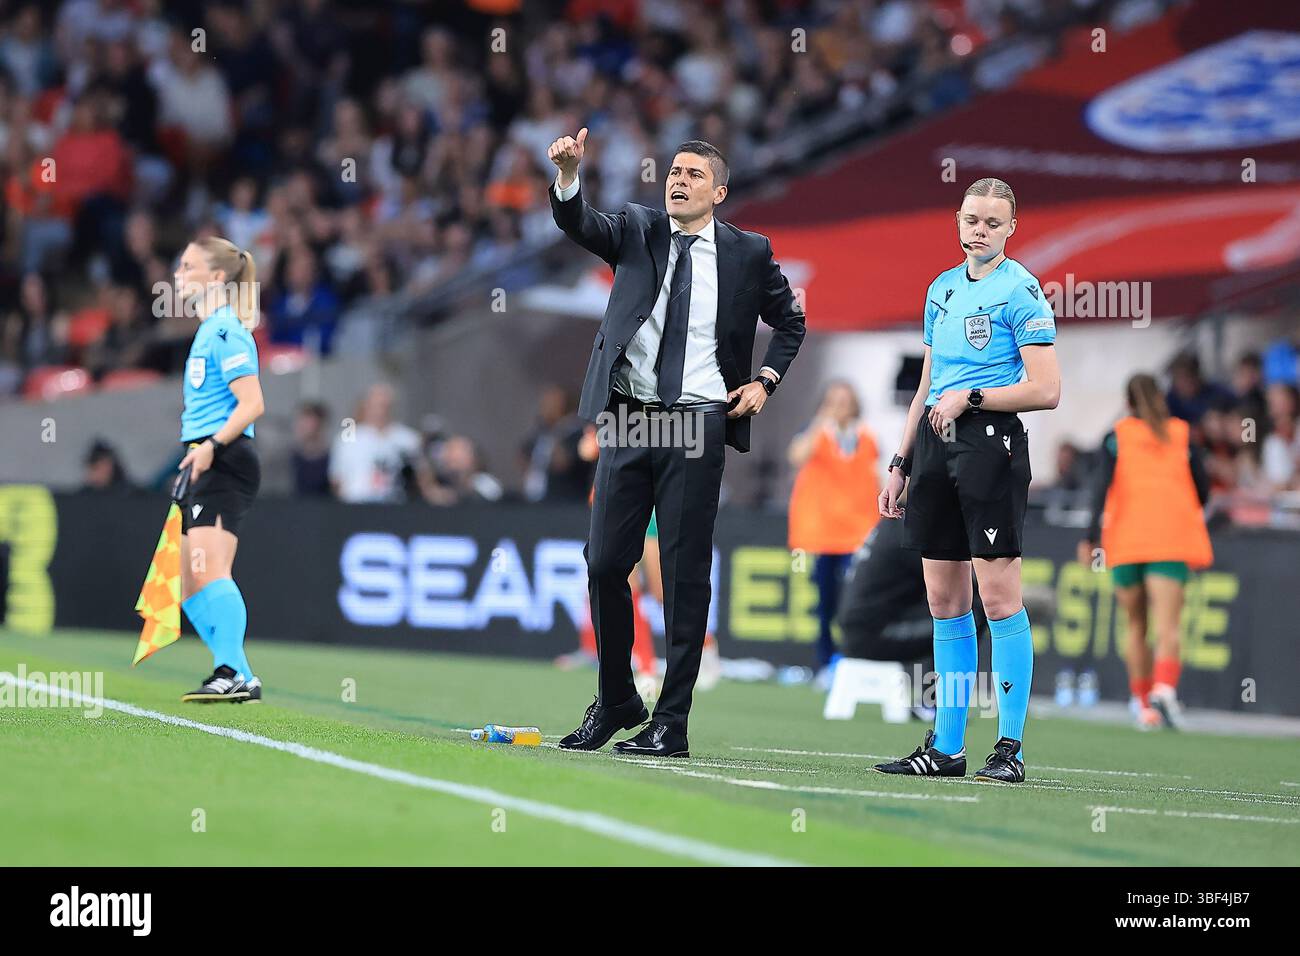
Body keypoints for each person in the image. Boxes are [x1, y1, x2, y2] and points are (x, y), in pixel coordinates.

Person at [547, 128, 805, 757]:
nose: (678, 180)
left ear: (719, 191)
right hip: (631, 417)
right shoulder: (636, 228)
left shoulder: (749, 253)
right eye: (674, 171)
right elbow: (579, 223)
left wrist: (765, 381)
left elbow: (790, 321)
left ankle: (673, 721)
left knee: (685, 573)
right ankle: (615, 701)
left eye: (693, 174)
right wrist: (568, 177)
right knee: (607, 560)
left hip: (697, 421)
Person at [875, 177, 1059, 783]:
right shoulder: (942, 290)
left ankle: (1010, 748)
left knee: (1000, 600)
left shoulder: (1022, 289)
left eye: (991, 223)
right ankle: (947, 746)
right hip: (934, 446)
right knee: (944, 602)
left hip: (990, 444)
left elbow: (1047, 390)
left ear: (1011, 230)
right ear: (957, 220)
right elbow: (926, 387)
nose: (978, 230)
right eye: (970, 219)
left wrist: (973, 396)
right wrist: (900, 463)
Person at [1078, 373, 1212, 729]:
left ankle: (1143, 705)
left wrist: (1090, 538)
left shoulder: (1116, 437)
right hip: (1170, 537)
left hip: (1126, 540)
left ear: (1128, 402)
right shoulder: (1183, 435)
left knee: (1136, 625)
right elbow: (1203, 490)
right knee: (1168, 626)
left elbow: (1099, 490)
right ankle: (1165, 690)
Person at [173, 236, 266, 703]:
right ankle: (242, 674)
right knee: (189, 582)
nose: (177, 275)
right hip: (205, 458)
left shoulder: (227, 330)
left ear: (216, 278)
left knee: (210, 570)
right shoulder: (210, 328)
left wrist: (210, 446)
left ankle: (228, 670)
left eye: (188, 267)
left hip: (225, 460)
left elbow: (253, 404)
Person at [786, 380, 880, 677]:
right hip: (823, 535)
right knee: (825, 602)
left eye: (844, 400)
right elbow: (796, 456)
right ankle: (827, 662)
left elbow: (879, 479)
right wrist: (820, 421)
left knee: (853, 603)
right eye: (832, 400)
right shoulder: (818, 434)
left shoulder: (867, 436)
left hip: (856, 534)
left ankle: (854, 659)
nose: (838, 406)